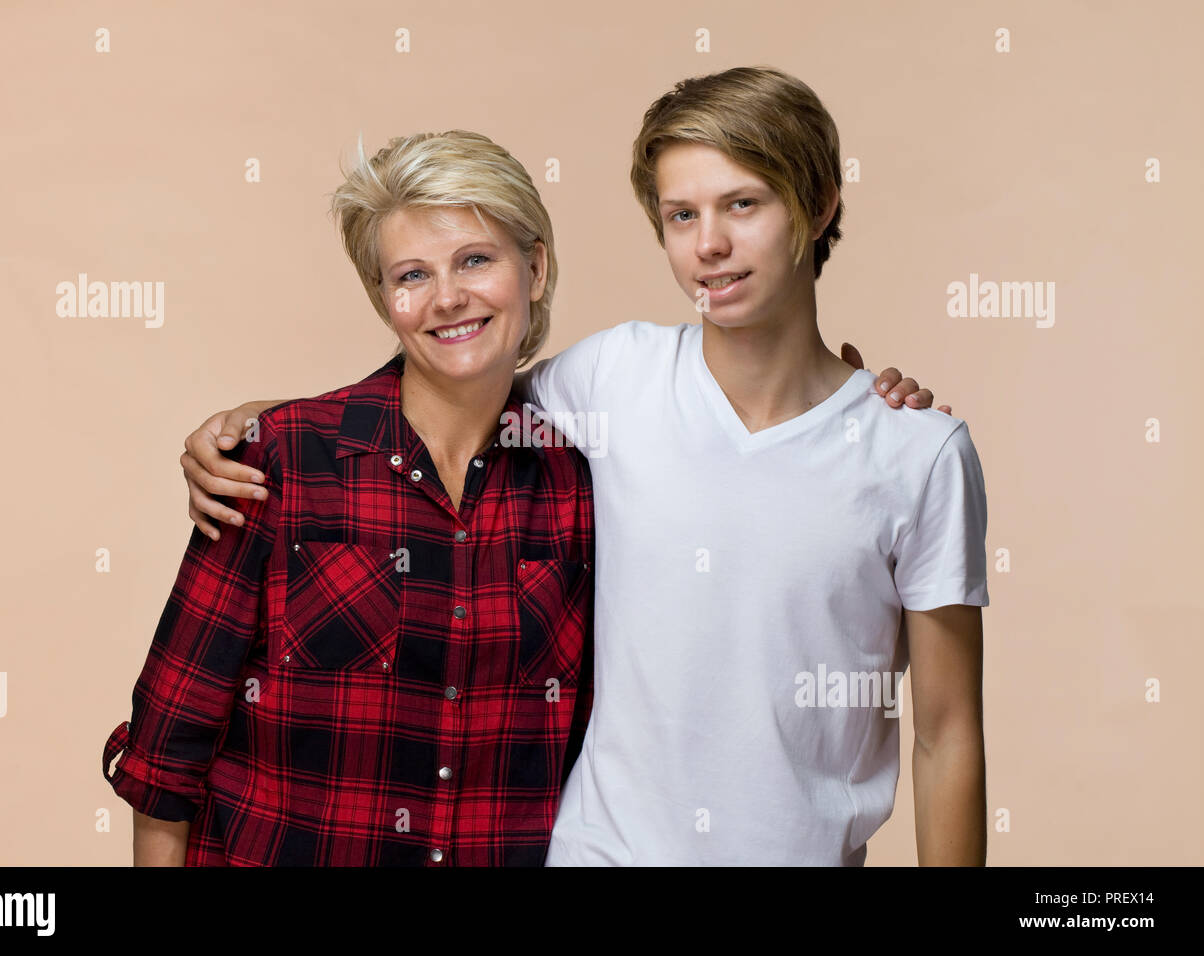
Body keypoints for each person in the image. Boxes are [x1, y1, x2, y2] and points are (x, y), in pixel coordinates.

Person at [180, 67, 978, 867]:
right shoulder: (611, 380)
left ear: (818, 204)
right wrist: (262, 423)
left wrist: (871, 413)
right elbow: (447, 387)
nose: (710, 244)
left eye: (744, 203)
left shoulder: (917, 453)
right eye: (680, 215)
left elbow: (947, 735)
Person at [102, 129, 596, 866]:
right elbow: (167, 753)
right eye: (411, 275)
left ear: (536, 266)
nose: (447, 297)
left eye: (475, 260)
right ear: (385, 299)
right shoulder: (281, 459)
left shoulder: (578, 488)